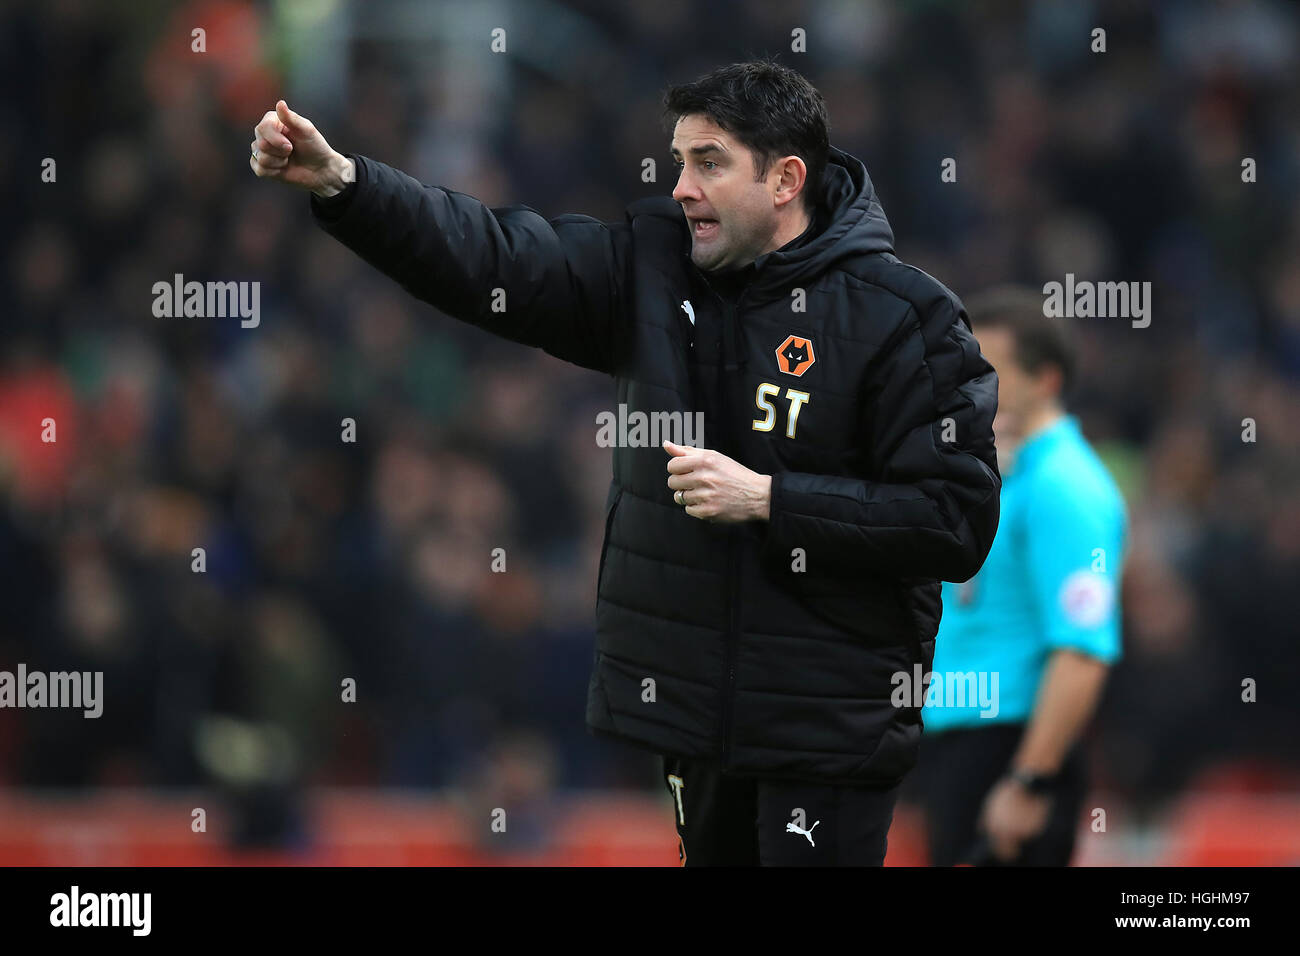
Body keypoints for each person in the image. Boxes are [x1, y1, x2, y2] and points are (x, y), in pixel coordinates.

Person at [250, 60, 1000, 866]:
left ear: (785, 179)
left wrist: (771, 500)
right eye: (679, 161)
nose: (681, 186)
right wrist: (345, 185)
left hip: (825, 737)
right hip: (694, 723)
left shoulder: (906, 320)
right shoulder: (650, 271)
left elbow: (953, 520)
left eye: (708, 163)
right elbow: (494, 258)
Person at [910, 286, 1126, 866]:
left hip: (1012, 748)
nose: (971, 386)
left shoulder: (1067, 489)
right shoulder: (998, 475)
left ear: (1046, 380)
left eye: (992, 372)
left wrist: (1030, 782)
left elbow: (1082, 650)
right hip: (960, 747)